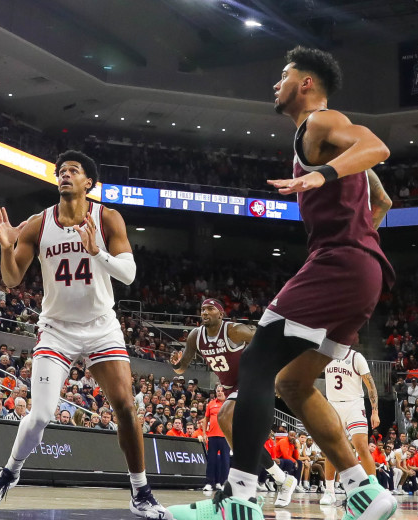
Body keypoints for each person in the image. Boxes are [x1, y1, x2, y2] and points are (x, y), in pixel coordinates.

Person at [168, 46, 396, 520]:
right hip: (363, 270)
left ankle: (239, 500)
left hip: (338, 263)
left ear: (306, 83)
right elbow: (383, 200)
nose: (276, 84)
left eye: (283, 76)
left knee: (255, 363)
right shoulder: (320, 135)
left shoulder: (319, 123)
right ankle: (365, 491)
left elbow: (378, 148)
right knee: (293, 383)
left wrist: (322, 179)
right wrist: (359, 233)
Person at [0, 151, 166, 518]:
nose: (64, 175)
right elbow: (11, 278)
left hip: (101, 327)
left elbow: (127, 274)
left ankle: (141, 493)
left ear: (89, 183)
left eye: (73, 171)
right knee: (41, 414)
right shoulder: (38, 223)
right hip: (57, 330)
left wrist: (97, 251)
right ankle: (7, 476)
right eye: (61, 171)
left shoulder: (107, 217)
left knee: (126, 408)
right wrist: (6, 249)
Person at [171, 299, 296, 504]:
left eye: (210, 309)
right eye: (202, 309)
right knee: (249, 443)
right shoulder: (195, 336)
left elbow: (265, 340)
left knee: (224, 416)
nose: (204, 312)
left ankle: (242, 474)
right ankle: (282, 478)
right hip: (231, 388)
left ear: (221, 314)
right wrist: (175, 364)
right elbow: (181, 367)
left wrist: (277, 372)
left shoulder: (234, 331)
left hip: (250, 380)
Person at [319, 349, 381, 506]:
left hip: (354, 404)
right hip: (333, 404)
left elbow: (371, 386)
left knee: (361, 447)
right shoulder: (326, 355)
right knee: (331, 449)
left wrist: (375, 412)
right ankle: (329, 491)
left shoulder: (356, 357)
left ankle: (374, 488)